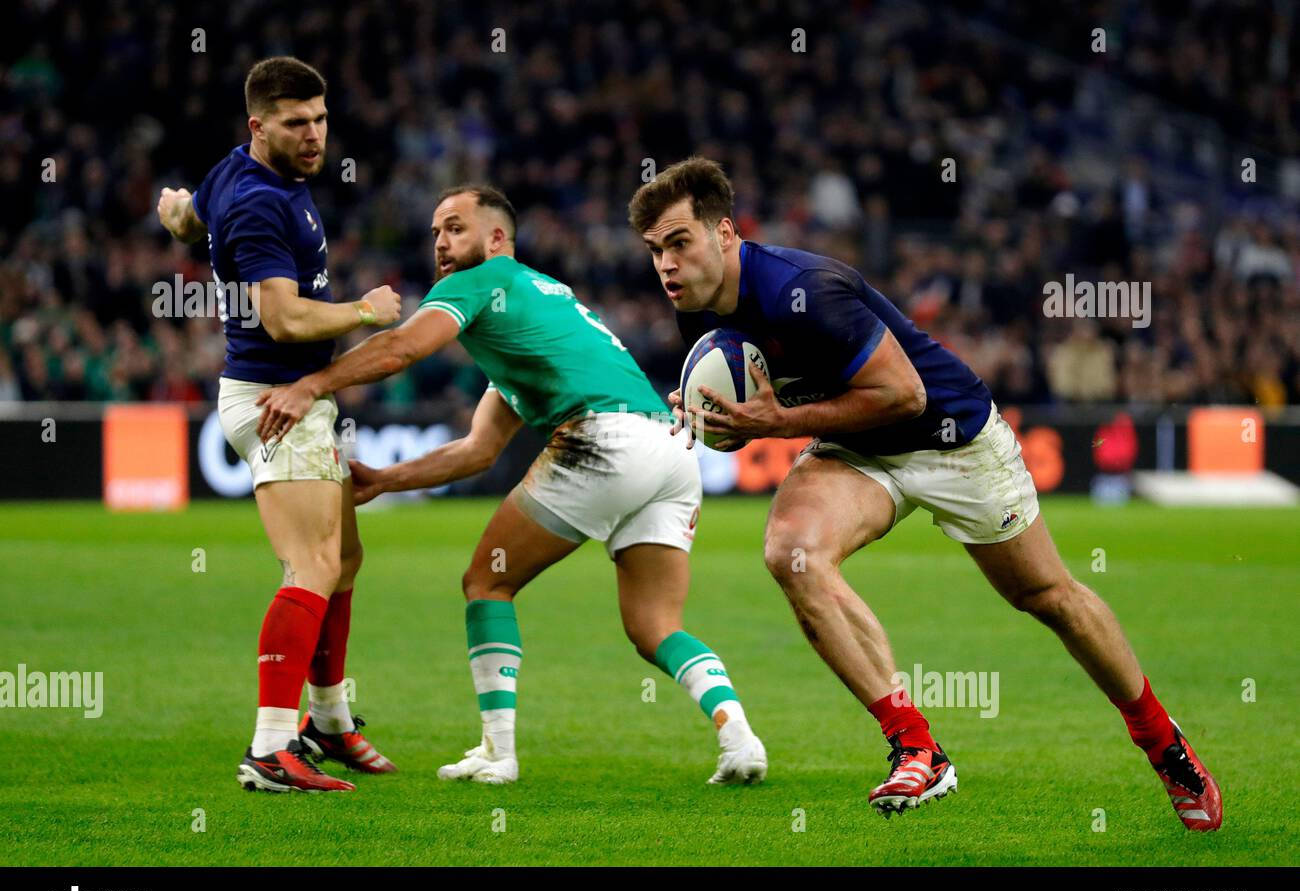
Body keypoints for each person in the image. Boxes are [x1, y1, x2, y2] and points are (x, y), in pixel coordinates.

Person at [628, 156, 1220, 829]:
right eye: (655, 251)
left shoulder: (804, 289)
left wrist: (780, 423)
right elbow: (759, 387)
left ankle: (1161, 741)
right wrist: (708, 414)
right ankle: (915, 745)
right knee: (793, 552)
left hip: (953, 438)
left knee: (1048, 598)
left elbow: (903, 393)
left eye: (680, 243)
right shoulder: (695, 312)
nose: (667, 266)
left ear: (726, 232)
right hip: (859, 451)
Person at [254, 184, 767, 785]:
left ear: (497, 240)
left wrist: (311, 384)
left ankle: (499, 751)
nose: (442, 244)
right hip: (670, 453)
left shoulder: (473, 286)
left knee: (485, 582)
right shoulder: (538, 305)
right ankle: (739, 738)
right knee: (655, 626)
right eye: (436, 233)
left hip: (606, 441)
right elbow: (479, 449)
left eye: (455, 228)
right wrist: (387, 480)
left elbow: (399, 348)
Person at [157, 56, 401, 793]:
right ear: (258, 125)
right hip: (274, 398)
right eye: (297, 123)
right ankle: (269, 747)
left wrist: (176, 216)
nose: (315, 135)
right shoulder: (263, 200)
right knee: (312, 567)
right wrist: (365, 311)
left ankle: (327, 719)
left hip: (290, 394)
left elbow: (189, 216)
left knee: (344, 559)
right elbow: (283, 315)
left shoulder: (233, 171)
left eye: (322, 120)